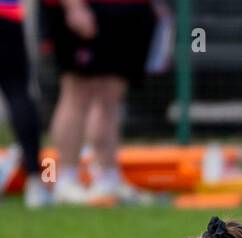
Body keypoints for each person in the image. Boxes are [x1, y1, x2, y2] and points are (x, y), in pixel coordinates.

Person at [40, 0, 157, 204]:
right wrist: (73, 7)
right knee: (77, 91)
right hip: (87, 8)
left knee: (111, 95)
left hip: (128, 9)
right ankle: (65, 180)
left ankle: (108, 178)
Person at [0, 0, 52, 206]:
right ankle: (34, 180)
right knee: (17, 91)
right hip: (6, 13)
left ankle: (35, 179)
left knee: (17, 93)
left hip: (7, 12)